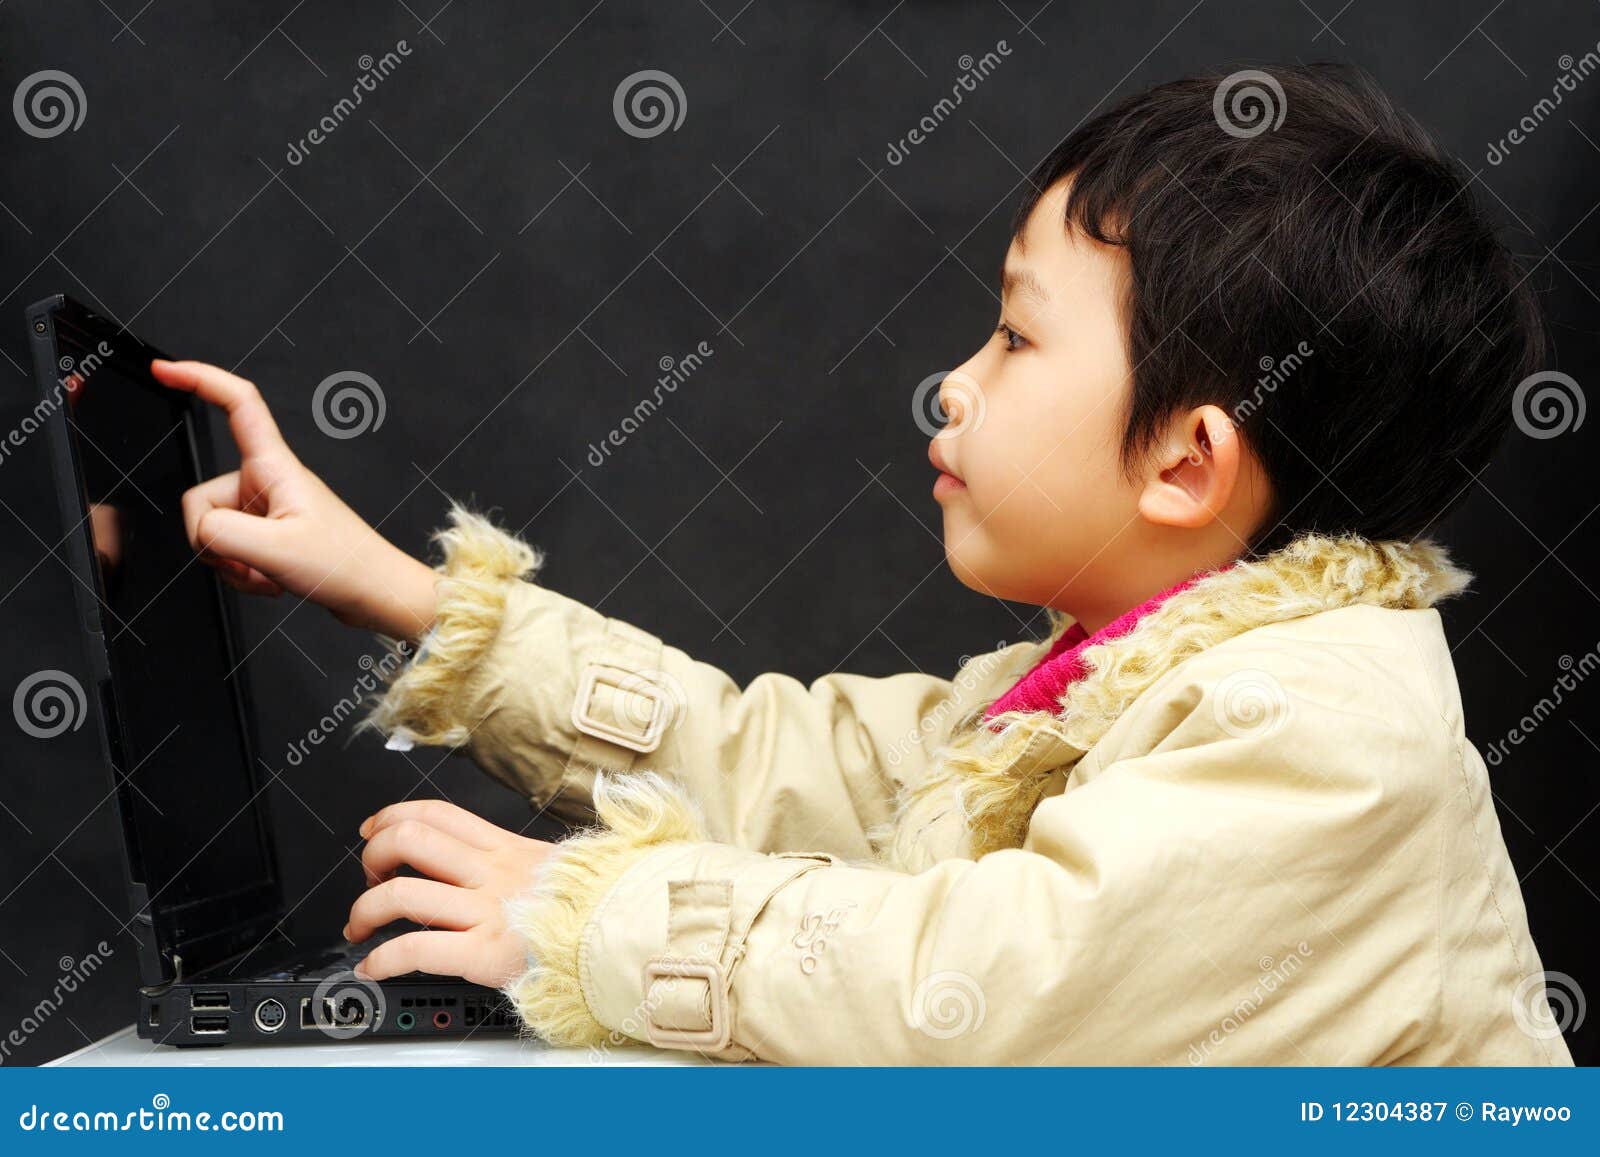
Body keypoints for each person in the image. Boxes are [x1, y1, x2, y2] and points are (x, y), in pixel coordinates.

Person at [152, 62, 1573, 1065]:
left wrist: (589, 916)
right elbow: (770, 759)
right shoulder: (1086, 689)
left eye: (1015, 337)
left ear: (1185, 462)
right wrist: (400, 588)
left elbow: (990, 987)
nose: (953, 385)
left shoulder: (1327, 730)